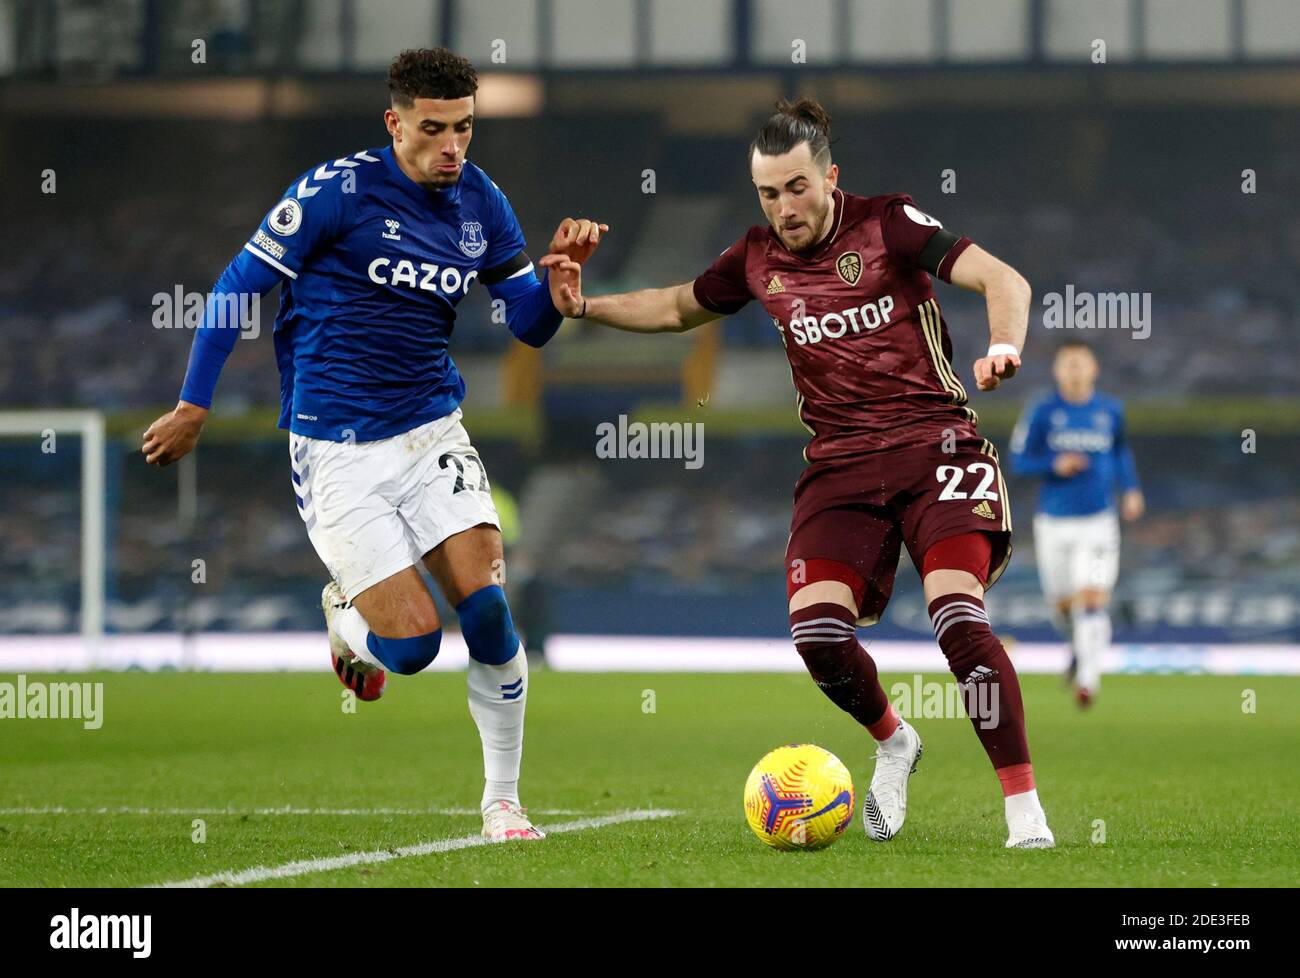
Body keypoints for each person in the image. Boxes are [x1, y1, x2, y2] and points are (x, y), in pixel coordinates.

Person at [540, 98, 1053, 848]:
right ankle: (894, 741)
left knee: (957, 619)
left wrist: (1004, 346)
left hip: (935, 446)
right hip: (839, 465)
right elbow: (678, 306)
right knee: (816, 634)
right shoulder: (754, 257)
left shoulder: (889, 223)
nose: (784, 208)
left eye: (797, 188)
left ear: (830, 177)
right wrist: (585, 307)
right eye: (769, 193)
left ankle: (1024, 812)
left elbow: (1003, 277)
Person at [142, 47, 605, 842]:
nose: (452, 146)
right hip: (336, 447)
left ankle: (503, 803)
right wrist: (193, 404)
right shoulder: (336, 193)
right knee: (415, 646)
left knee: (492, 616)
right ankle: (346, 617)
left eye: (464, 127)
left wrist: (561, 297)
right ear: (395, 124)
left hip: (431, 431)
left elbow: (526, 323)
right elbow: (234, 289)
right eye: (434, 129)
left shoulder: (482, 203)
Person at [1010, 341, 1144, 707]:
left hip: (1100, 522)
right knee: (1064, 608)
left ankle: (1088, 680)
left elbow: (1120, 451)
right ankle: (1078, 648)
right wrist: (1054, 465)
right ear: (1057, 371)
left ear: (1093, 369)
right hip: (1053, 523)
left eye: (1080, 364)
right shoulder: (1042, 411)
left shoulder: (1110, 411)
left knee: (1092, 598)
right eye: (1067, 364)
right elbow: (1019, 460)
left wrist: (1130, 489)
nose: (1074, 371)